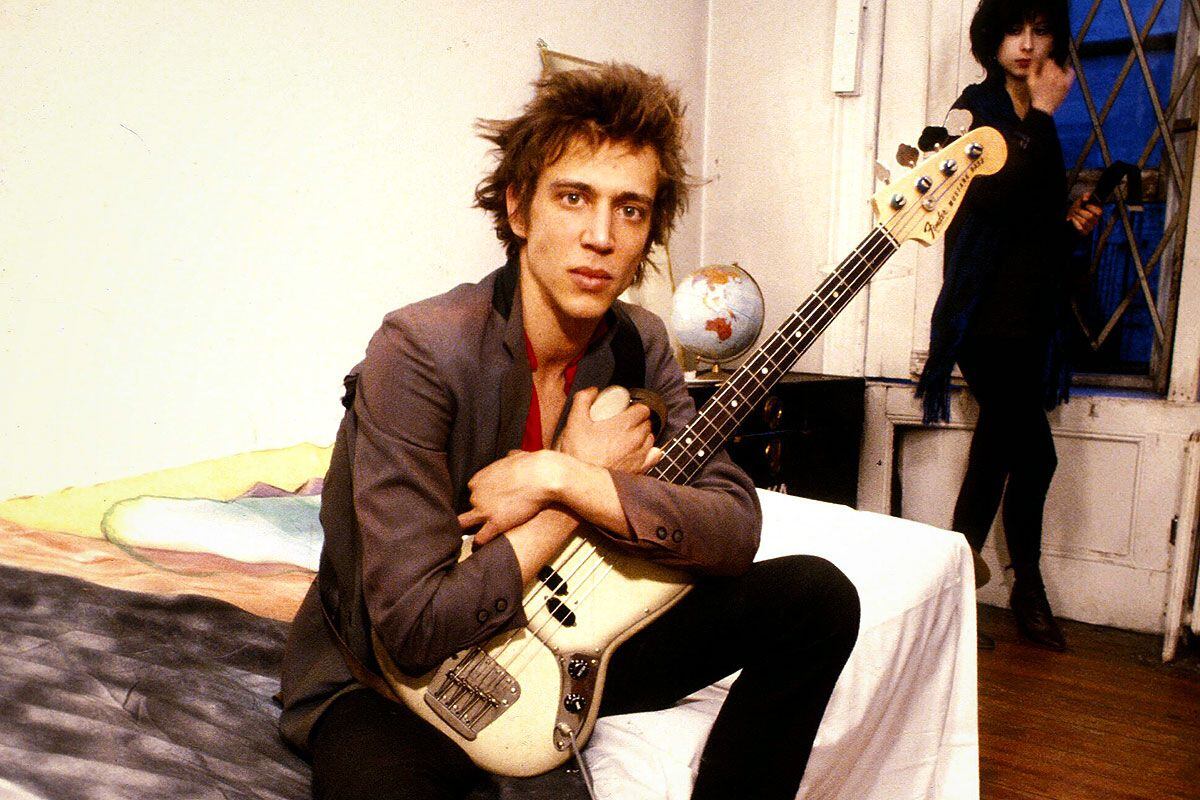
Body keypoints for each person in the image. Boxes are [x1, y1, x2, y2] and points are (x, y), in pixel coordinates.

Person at [278, 63, 860, 800]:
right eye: (574, 197)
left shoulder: (640, 341)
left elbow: (733, 527)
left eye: (630, 210)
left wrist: (563, 477)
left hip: (575, 638)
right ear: (519, 208)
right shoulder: (422, 350)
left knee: (816, 599)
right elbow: (415, 628)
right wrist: (567, 507)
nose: (600, 236)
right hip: (393, 678)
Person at [917, 0, 1102, 651]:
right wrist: (1045, 116)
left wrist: (1069, 226)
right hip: (981, 318)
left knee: (1001, 452)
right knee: (1031, 453)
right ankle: (1024, 590)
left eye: (1040, 30)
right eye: (1014, 30)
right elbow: (988, 198)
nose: (1027, 44)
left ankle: (954, 604)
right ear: (991, 39)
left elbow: (1030, 226)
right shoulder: (972, 111)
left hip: (1029, 320)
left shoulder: (1035, 121)